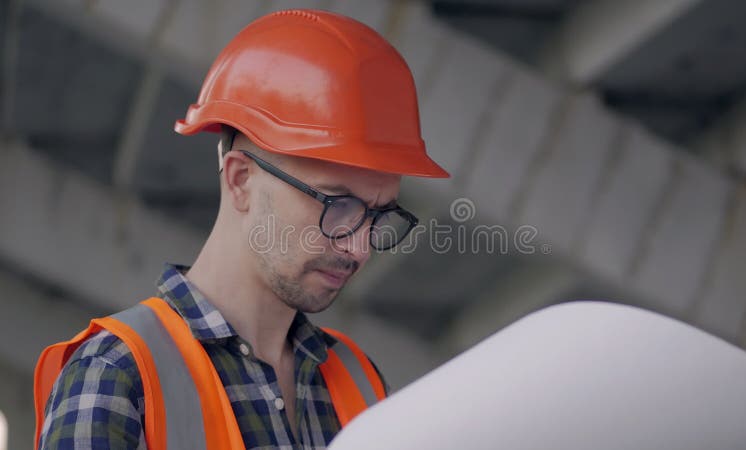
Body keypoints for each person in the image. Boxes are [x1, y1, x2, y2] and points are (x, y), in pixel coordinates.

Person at [34, 9, 448, 450]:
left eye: (379, 215)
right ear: (240, 180)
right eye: (338, 204)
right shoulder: (115, 376)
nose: (359, 247)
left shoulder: (360, 382)